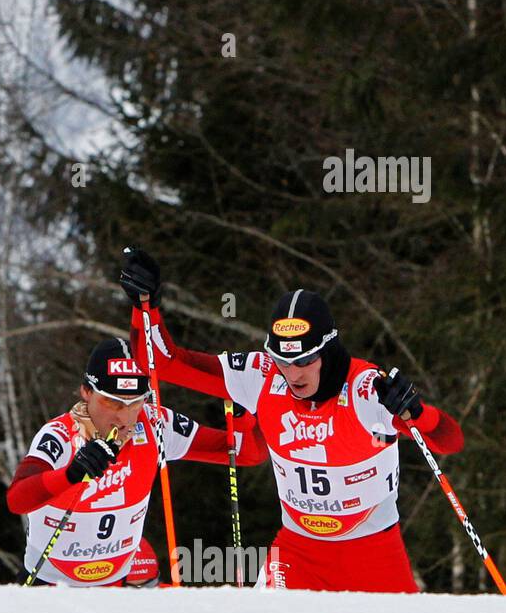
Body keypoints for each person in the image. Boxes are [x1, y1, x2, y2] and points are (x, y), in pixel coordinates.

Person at [120, 248, 464, 592]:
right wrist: (145, 306)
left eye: (303, 360)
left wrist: (417, 412)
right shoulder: (263, 375)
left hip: (373, 550)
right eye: (282, 359)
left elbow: (449, 441)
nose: (292, 372)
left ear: (327, 351)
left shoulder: (364, 389)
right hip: (298, 551)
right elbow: (162, 363)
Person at [6, 338, 266, 587]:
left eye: (135, 402)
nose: (125, 417)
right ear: (86, 391)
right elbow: (17, 499)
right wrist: (70, 474)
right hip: (49, 581)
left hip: (116, 585)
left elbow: (245, 453)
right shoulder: (61, 434)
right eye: (112, 402)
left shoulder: (154, 423)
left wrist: (243, 414)